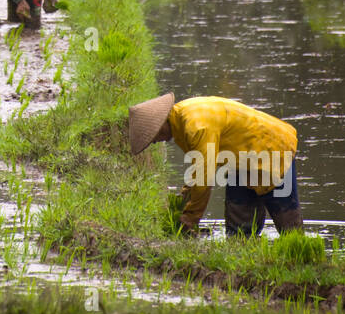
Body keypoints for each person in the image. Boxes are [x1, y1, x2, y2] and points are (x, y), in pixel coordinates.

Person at [128, 93, 305, 237]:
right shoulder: (182, 118)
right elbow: (197, 172)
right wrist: (183, 202)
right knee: (238, 235)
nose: (156, 142)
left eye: (154, 137)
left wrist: (190, 218)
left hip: (273, 150)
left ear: (161, 125)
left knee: (290, 230)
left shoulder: (196, 127)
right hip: (240, 162)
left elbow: (204, 178)